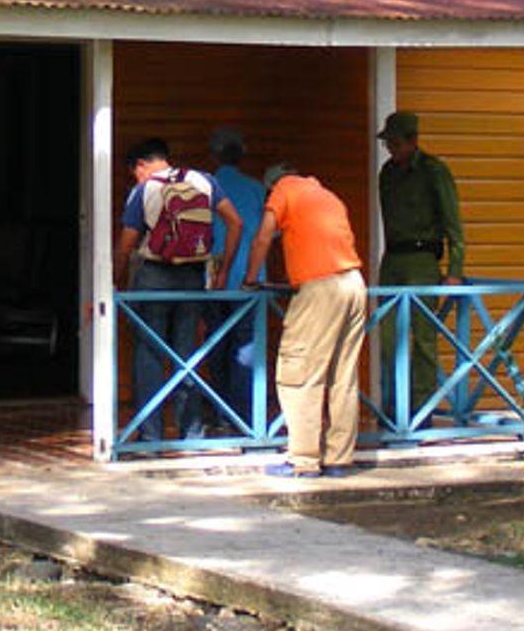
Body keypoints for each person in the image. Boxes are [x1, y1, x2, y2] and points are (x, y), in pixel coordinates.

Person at [241, 164, 367, 478]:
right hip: (354, 283)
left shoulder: (284, 189)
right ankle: (339, 459)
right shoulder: (328, 196)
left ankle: (304, 459)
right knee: (343, 376)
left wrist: (250, 278)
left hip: (321, 288)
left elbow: (263, 237)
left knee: (297, 372)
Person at [116, 138, 243, 444]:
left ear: (141, 165)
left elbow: (126, 244)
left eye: (135, 171)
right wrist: (224, 270)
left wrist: (114, 281)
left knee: (149, 354)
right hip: (192, 276)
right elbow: (235, 223)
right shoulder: (204, 181)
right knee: (187, 353)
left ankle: (151, 436)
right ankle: (192, 432)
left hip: (154, 277)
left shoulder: (144, 189)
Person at [376, 110, 464, 421]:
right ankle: (394, 406)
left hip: (423, 257)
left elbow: (453, 223)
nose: (392, 149)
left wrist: (454, 270)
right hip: (393, 259)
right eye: (388, 143)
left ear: (413, 141)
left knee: (424, 337)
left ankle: (420, 408)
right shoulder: (387, 173)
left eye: (396, 143)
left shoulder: (433, 171)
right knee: (387, 337)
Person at [206, 127, 267, 431]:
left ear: (214, 155)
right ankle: (245, 417)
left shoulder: (205, 188)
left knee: (217, 344)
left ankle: (219, 414)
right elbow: (273, 232)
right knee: (247, 345)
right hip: (250, 281)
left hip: (212, 281)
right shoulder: (256, 188)